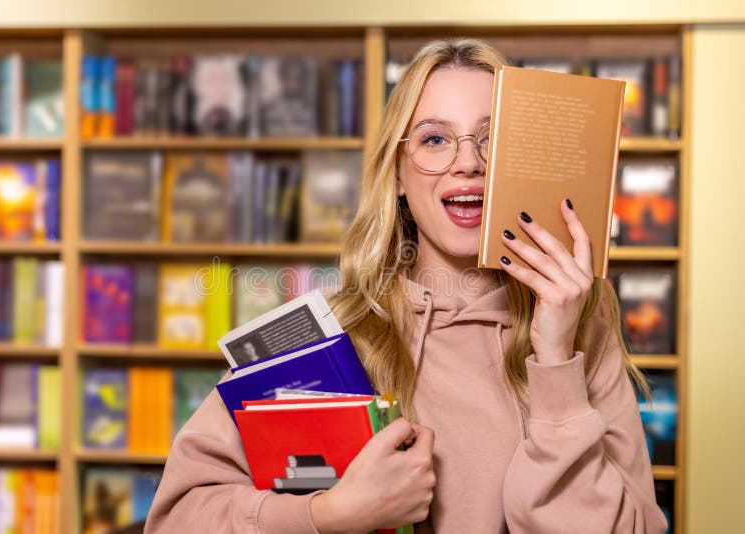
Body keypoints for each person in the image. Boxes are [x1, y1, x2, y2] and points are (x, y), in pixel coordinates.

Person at [144, 39, 668, 533]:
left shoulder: (581, 335)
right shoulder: (323, 337)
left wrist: (555, 363)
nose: (467, 162)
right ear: (396, 173)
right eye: (435, 139)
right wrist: (325, 515)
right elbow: (176, 519)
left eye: (493, 140)